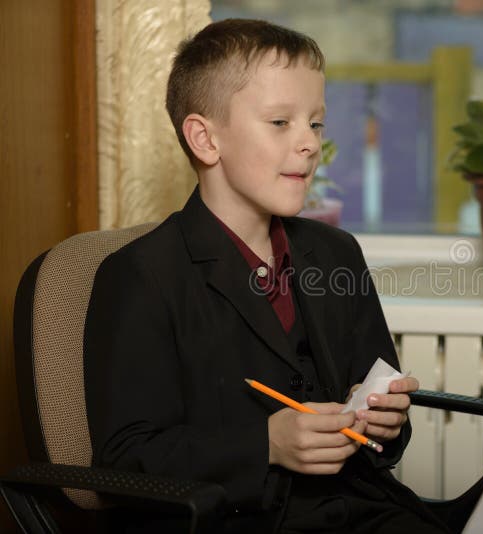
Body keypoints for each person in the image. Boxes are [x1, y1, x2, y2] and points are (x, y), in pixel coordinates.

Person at [83, 18, 460, 534]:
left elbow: (383, 424)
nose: (309, 143)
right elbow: (124, 460)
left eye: (316, 123)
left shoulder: (337, 253)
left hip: (362, 509)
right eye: (281, 122)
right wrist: (268, 445)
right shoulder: (138, 276)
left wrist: (385, 423)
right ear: (205, 139)